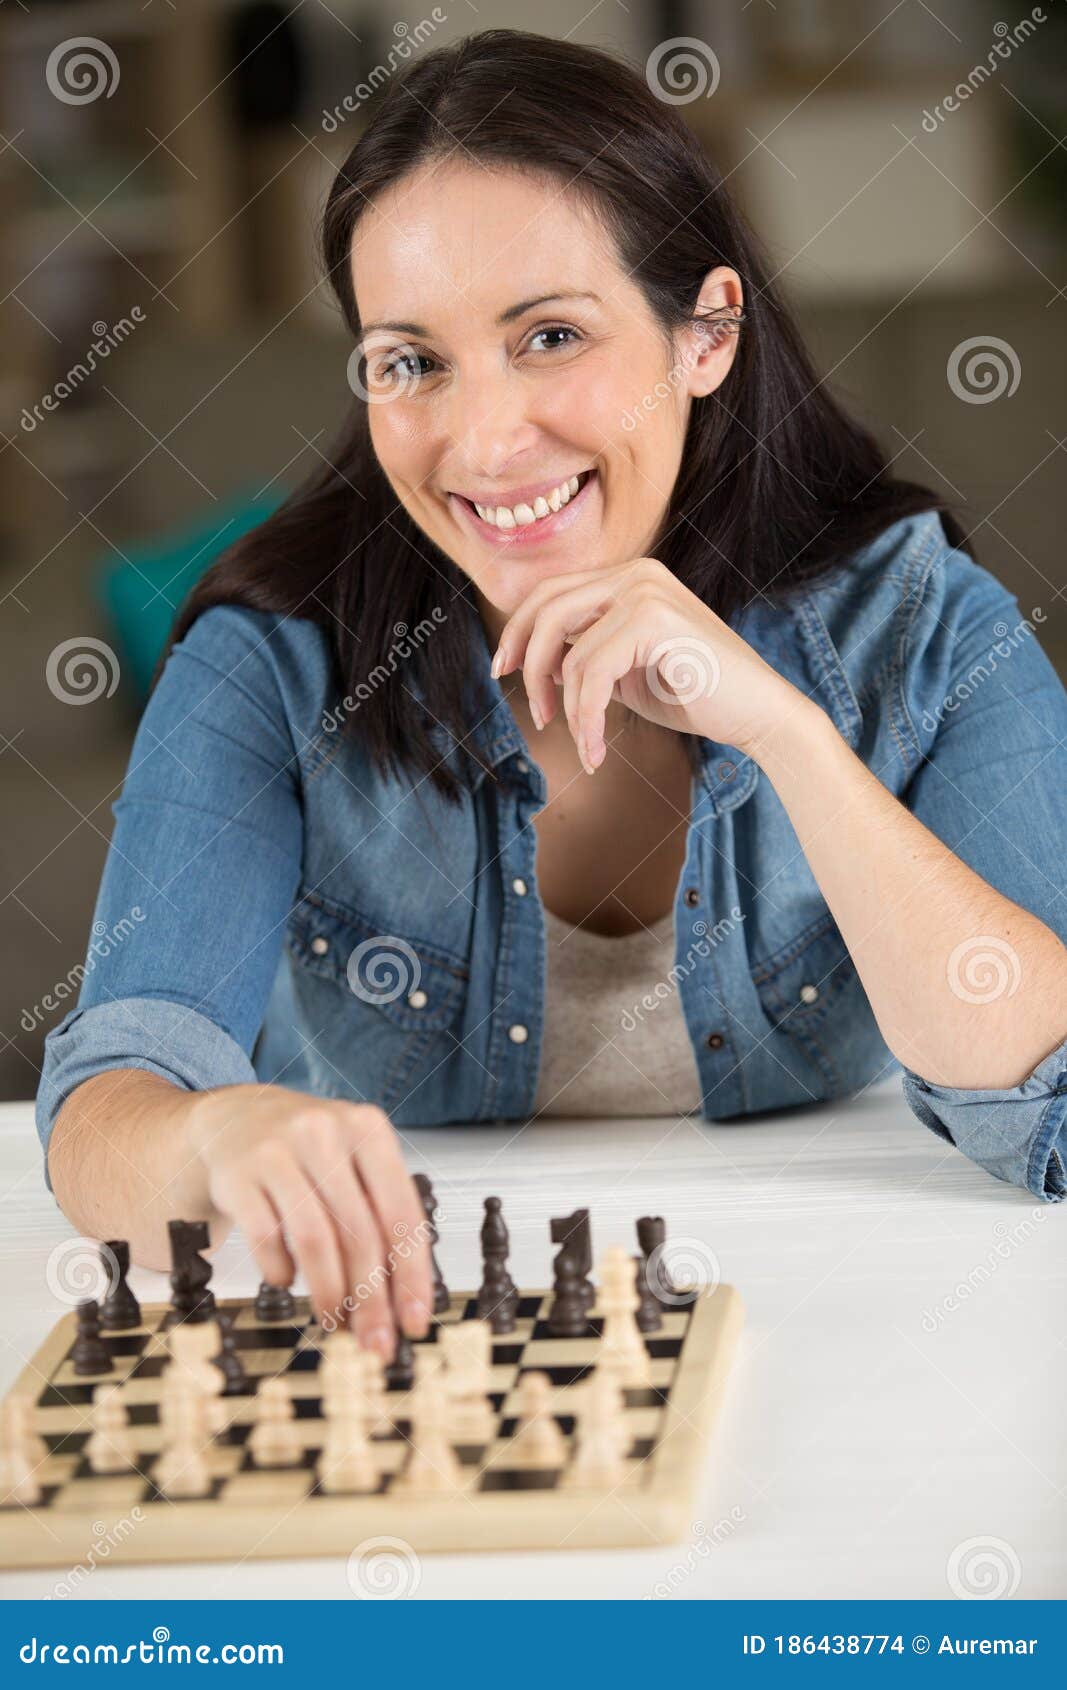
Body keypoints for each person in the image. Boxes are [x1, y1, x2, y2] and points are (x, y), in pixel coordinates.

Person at [36, 30, 1067, 1358]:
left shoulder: (913, 623)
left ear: (707, 334)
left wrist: (785, 733)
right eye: (414, 360)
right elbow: (112, 1101)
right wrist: (209, 1131)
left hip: (863, 1312)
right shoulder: (271, 660)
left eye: (552, 335)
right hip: (429, 1342)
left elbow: (1050, 1099)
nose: (481, 441)